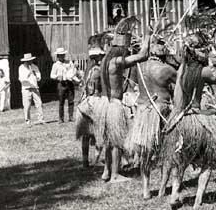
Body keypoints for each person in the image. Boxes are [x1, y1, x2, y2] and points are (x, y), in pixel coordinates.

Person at [158, 30, 216, 209]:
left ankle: (175, 194)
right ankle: (198, 199)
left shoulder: (182, 69)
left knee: (181, 160)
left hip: (178, 121)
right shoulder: (205, 72)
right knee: (209, 160)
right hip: (196, 120)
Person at [95, 20, 151, 183]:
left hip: (103, 103)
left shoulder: (105, 59)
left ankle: (106, 171)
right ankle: (114, 174)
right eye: (125, 48)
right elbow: (143, 56)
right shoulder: (118, 61)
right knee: (117, 141)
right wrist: (147, 36)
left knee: (108, 140)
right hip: (114, 104)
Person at [125, 40, 177, 198]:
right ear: (162, 54)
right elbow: (179, 84)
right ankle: (162, 188)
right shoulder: (167, 69)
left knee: (145, 152)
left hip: (143, 110)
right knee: (168, 149)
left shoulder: (140, 67)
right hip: (161, 110)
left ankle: (146, 189)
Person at [75, 46, 105, 168]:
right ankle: (96, 159)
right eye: (101, 57)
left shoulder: (87, 71)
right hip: (95, 102)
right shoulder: (98, 70)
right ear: (97, 57)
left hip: (84, 103)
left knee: (86, 135)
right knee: (100, 132)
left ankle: (85, 161)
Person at [50, 47, 78, 123]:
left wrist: (75, 75)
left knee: (71, 101)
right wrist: (57, 77)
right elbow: (52, 75)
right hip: (61, 84)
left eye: (63, 54)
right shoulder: (55, 65)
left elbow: (73, 72)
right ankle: (61, 118)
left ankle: (71, 117)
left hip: (70, 83)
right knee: (61, 101)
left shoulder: (69, 62)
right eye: (60, 55)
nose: (62, 56)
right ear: (57, 56)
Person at [18, 53, 43, 126]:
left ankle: (40, 119)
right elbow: (21, 79)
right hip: (26, 88)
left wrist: (37, 77)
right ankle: (28, 120)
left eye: (30, 60)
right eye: (28, 61)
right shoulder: (21, 68)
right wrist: (29, 73)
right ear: (25, 61)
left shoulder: (34, 67)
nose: (30, 62)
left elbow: (39, 76)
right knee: (27, 105)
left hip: (35, 87)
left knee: (39, 103)